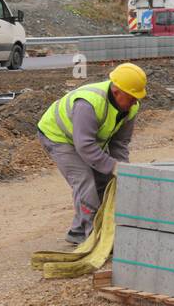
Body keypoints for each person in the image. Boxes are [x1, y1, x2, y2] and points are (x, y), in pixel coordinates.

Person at [38, 63, 146, 245]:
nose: (135, 102)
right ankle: (92, 239)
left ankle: (78, 231)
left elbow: (119, 143)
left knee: (105, 182)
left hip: (83, 140)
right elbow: (85, 146)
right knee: (85, 182)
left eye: (137, 97)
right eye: (132, 97)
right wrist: (113, 166)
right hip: (58, 136)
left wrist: (121, 170)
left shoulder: (131, 108)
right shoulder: (89, 103)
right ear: (117, 91)